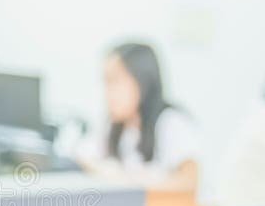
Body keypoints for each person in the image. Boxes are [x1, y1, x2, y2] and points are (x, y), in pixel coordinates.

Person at [77, 43, 199, 191]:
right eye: (105, 82)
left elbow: (188, 183)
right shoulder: (116, 126)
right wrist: (107, 171)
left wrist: (127, 180)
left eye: (114, 81)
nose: (107, 93)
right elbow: (82, 154)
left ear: (142, 81)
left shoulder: (171, 122)